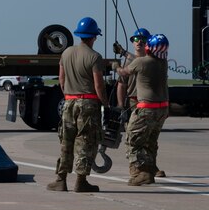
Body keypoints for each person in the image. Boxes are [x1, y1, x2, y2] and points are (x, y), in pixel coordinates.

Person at [48, 17, 110, 193]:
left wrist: (68, 94)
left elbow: (61, 79)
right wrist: (105, 103)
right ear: (94, 37)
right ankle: (81, 180)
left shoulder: (66, 52)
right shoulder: (95, 57)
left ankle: (60, 180)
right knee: (85, 141)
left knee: (66, 140)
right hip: (88, 103)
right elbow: (99, 85)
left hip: (69, 101)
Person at [117, 33, 170, 186]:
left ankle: (142, 172)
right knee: (151, 142)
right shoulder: (163, 63)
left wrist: (115, 66)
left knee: (132, 142)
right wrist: (125, 53)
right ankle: (150, 168)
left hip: (145, 108)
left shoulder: (142, 62)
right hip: (161, 109)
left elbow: (124, 72)